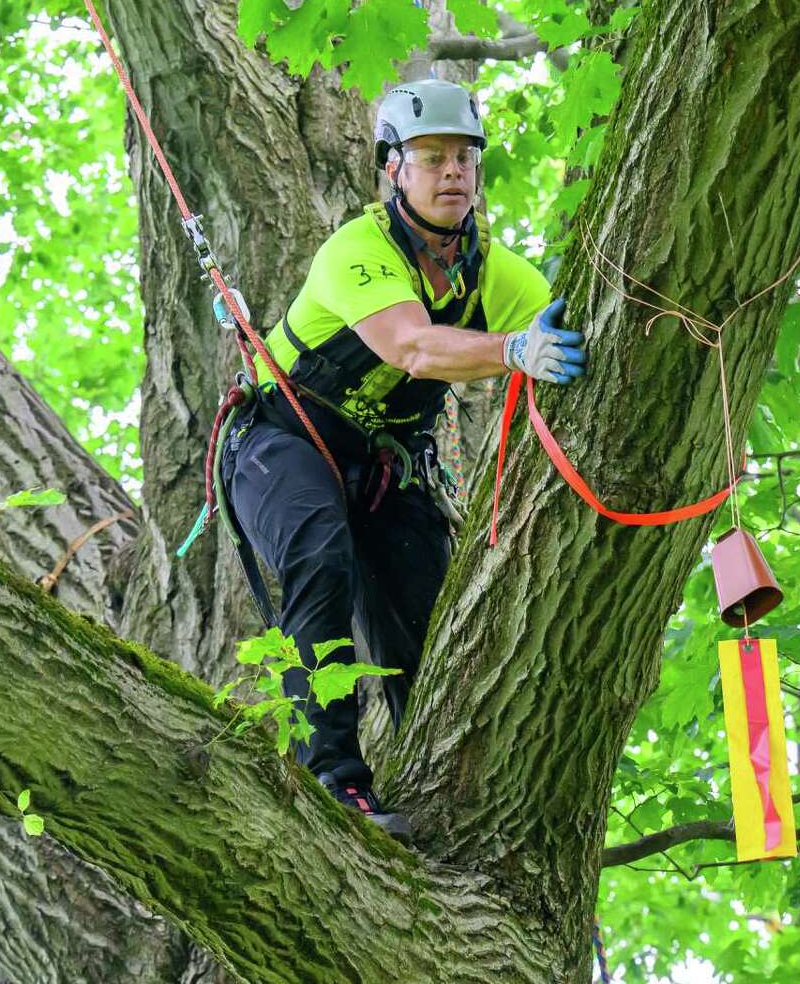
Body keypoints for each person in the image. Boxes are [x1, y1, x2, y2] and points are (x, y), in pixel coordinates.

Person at [216, 78, 585, 839]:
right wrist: (515, 349)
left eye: (464, 158)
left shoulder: (496, 276)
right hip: (281, 440)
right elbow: (413, 348)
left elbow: (569, 325)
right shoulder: (358, 249)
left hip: (384, 469)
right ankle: (332, 781)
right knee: (320, 557)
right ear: (393, 170)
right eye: (430, 158)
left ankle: (455, 800)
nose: (453, 172)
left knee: (434, 626)